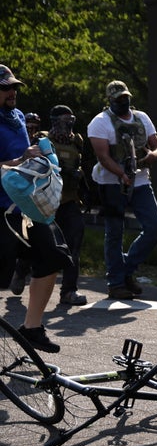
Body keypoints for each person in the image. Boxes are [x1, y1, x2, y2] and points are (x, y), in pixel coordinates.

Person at [0, 65, 68, 352]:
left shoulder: (16, 117)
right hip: (1, 211)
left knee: (53, 257)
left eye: (14, 86)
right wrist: (18, 159)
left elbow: (23, 164)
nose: (12, 92)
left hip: (25, 208)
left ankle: (32, 329)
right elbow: (13, 162)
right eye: (5, 88)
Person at [87, 80, 157, 300]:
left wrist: (154, 155)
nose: (124, 101)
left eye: (126, 97)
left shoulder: (142, 118)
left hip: (140, 181)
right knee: (114, 232)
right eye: (119, 99)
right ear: (110, 100)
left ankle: (126, 269)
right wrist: (121, 174)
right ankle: (116, 283)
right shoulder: (100, 123)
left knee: (155, 227)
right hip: (111, 183)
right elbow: (103, 157)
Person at [32, 105, 90, 306]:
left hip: (70, 200)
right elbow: (37, 167)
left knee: (74, 242)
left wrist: (84, 187)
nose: (69, 125)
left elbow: (80, 166)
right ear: (55, 121)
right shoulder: (43, 140)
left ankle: (68, 291)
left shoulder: (77, 141)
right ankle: (22, 268)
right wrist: (63, 171)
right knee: (40, 244)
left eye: (71, 120)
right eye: (65, 121)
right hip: (47, 202)